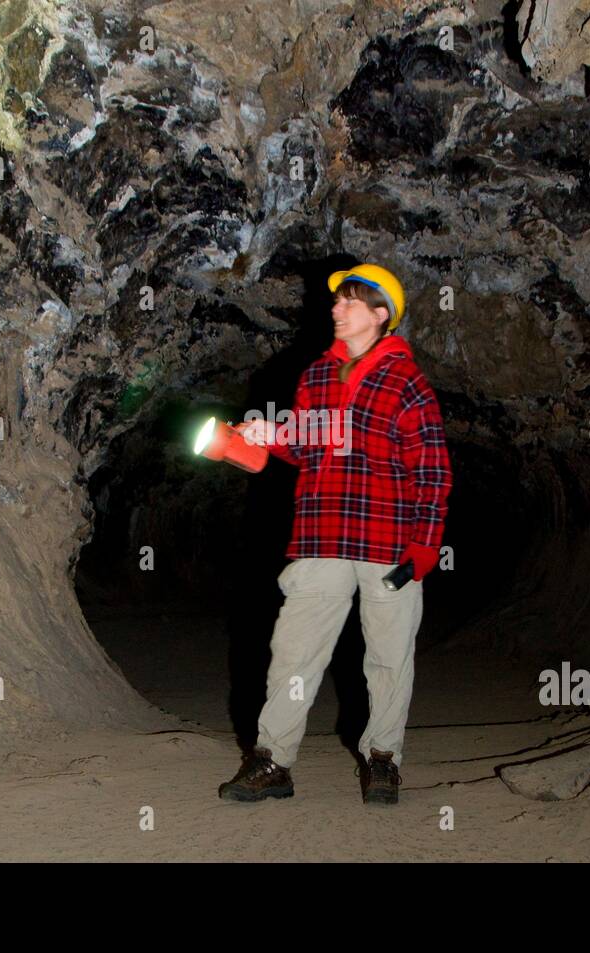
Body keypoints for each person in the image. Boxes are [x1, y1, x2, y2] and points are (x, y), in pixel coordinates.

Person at [218, 263, 453, 806]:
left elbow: (433, 469)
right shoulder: (317, 375)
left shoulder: (407, 382)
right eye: (337, 301)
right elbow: (308, 444)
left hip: (389, 541)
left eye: (349, 301)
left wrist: (424, 548)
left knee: (390, 657)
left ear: (379, 315)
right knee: (293, 653)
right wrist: (265, 434)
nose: (335, 309)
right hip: (321, 534)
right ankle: (272, 761)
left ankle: (383, 761)